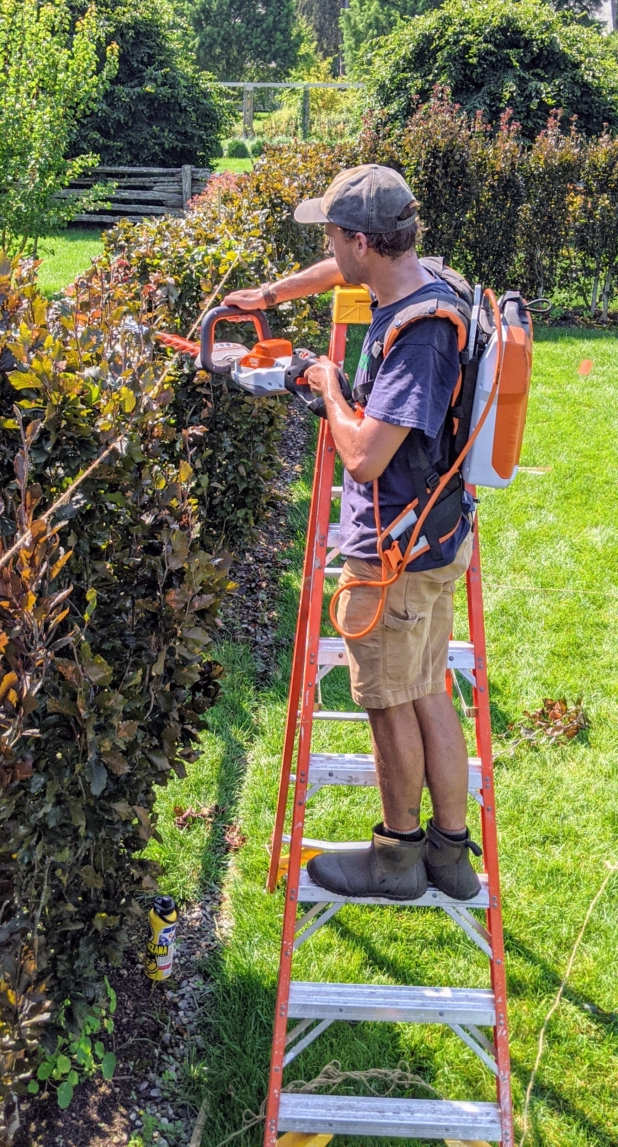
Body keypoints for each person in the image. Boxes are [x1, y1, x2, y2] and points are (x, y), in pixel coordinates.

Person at [224, 163, 482, 902]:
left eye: (335, 235)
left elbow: (365, 457)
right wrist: (270, 295)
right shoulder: (420, 277)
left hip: (394, 554)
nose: (330, 246)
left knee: (388, 701)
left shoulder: (420, 338)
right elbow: (336, 274)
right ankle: (450, 854)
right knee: (428, 687)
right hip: (432, 537)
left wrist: (326, 383)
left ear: (364, 241)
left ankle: (397, 856)